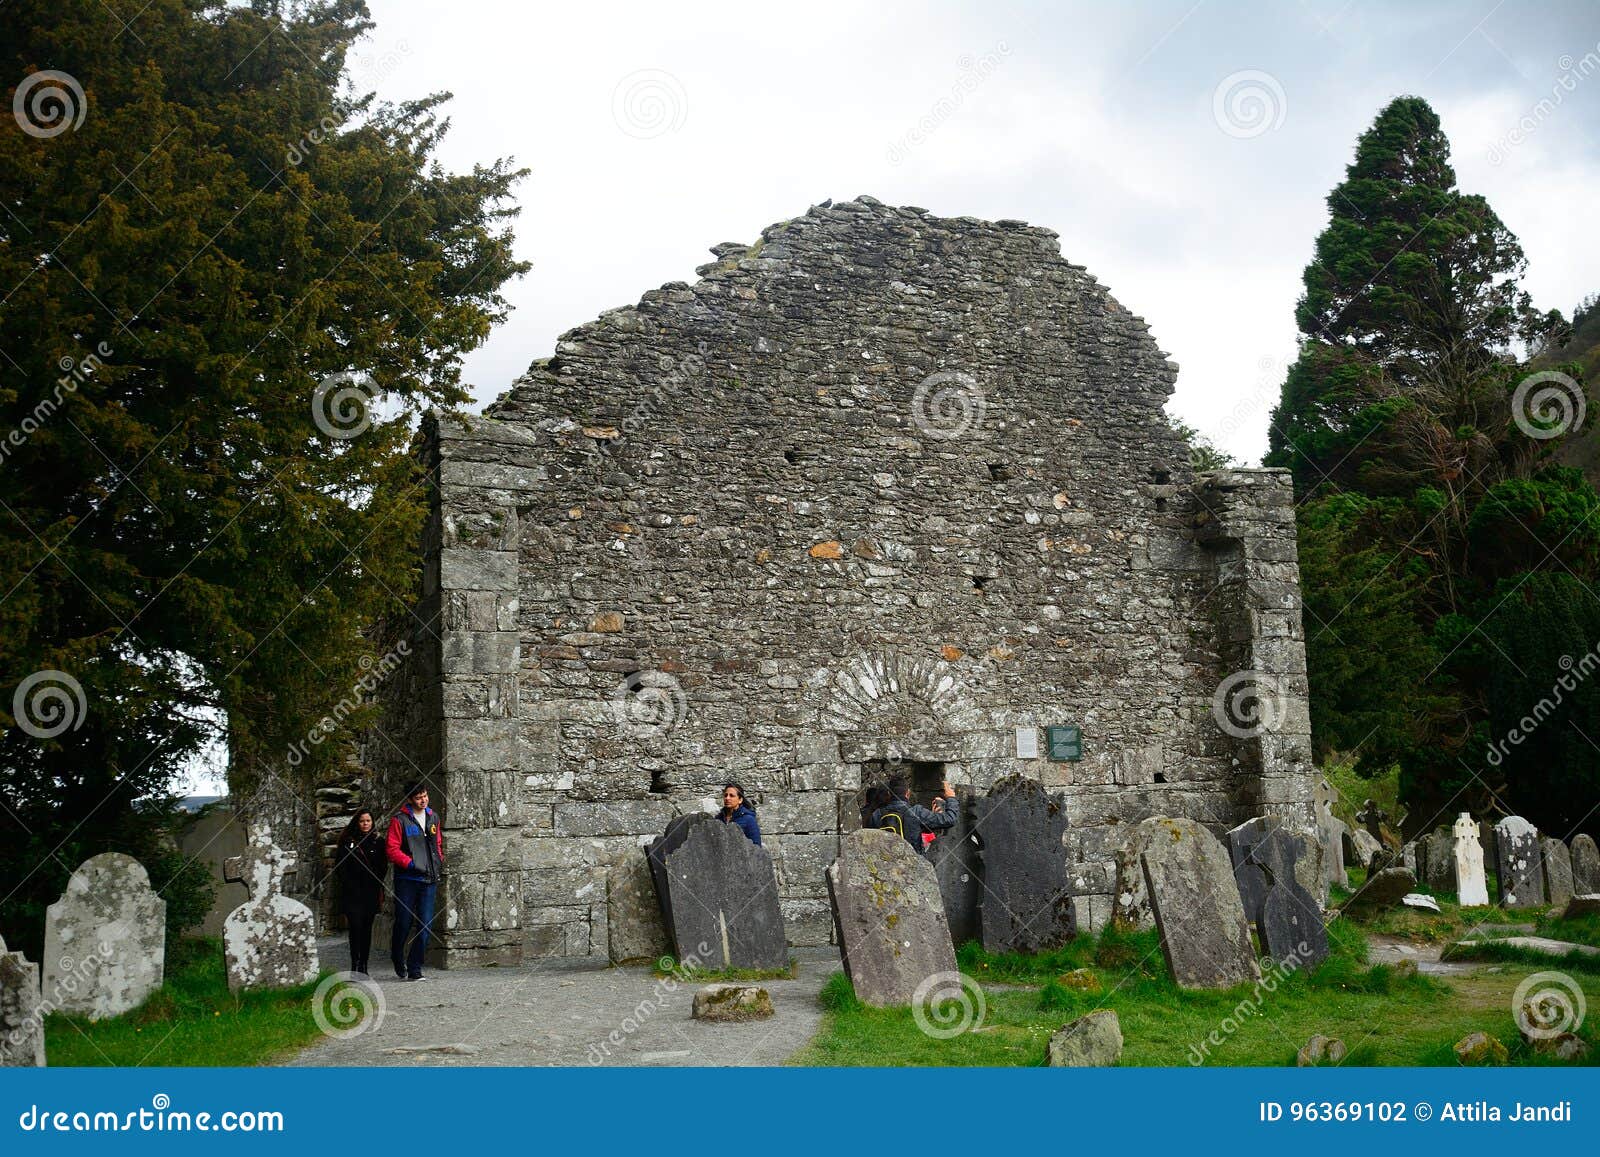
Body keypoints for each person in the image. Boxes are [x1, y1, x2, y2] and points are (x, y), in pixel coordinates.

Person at [386, 782, 444, 981]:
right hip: (407, 879)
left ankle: (414, 967)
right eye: (418, 797)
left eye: (425, 796)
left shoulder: (433, 817)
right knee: (404, 922)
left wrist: (438, 859)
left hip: (429, 879)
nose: (423, 800)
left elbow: (437, 843)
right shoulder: (399, 820)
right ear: (410, 799)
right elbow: (392, 849)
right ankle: (397, 955)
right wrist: (411, 864)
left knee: (425, 926)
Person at [335, 809, 387, 975]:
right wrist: (349, 884)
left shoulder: (378, 842)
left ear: (372, 822)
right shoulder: (347, 842)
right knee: (355, 927)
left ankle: (363, 964)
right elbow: (340, 867)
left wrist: (375, 882)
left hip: (370, 892)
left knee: (366, 929)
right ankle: (354, 963)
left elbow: (383, 866)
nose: (365, 824)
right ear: (357, 823)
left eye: (368, 821)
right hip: (352, 892)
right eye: (362, 821)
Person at [874, 775, 958, 854]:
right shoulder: (916, 812)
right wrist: (951, 797)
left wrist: (932, 816)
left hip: (886, 861)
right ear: (908, 793)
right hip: (912, 861)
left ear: (889, 794)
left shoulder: (877, 814)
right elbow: (950, 819)